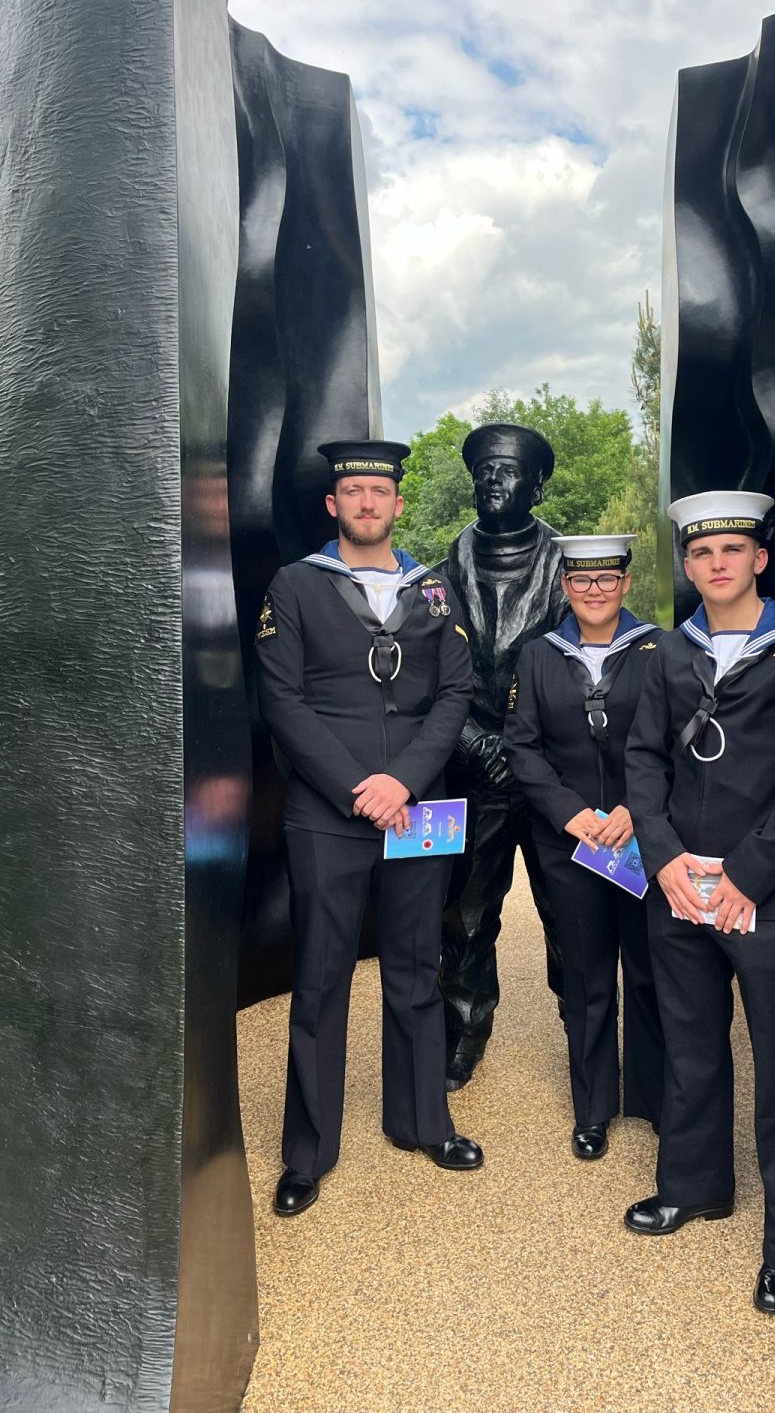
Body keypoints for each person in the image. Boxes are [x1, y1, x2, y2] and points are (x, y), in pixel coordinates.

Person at [256, 439, 484, 1218]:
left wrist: (403, 781)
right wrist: (360, 787)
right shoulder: (293, 586)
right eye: (351, 491)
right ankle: (307, 1153)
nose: (365, 503)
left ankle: (423, 1120)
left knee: (418, 968)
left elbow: (455, 694)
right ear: (333, 506)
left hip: (416, 809)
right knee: (320, 978)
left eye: (378, 493)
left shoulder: (434, 590)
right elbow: (282, 700)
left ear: (396, 504)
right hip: (328, 813)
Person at [623, 490, 775, 1315]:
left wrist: (746, 877)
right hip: (678, 891)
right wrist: (664, 860)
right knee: (691, 1045)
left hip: (757, 896)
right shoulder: (670, 652)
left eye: (731, 551)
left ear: (759, 559)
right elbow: (642, 762)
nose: (715, 565)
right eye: (701, 555)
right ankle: (693, 1186)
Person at [503, 535, 665, 1159]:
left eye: (606, 579)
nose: (593, 590)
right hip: (569, 844)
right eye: (580, 581)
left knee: (649, 972)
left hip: (641, 839)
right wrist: (571, 814)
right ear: (565, 587)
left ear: (626, 583)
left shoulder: (658, 650)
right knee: (588, 975)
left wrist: (635, 810)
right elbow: (522, 745)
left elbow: (675, 741)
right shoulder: (538, 656)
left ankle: (652, 1099)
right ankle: (593, 1108)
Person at [437, 423, 569, 1089]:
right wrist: (471, 742)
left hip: (550, 778)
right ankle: (463, 1032)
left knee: (573, 915)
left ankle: (589, 1034)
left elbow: (589, 674)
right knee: (463, 915)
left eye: (509, 470)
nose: (493, 478)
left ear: (537, 483)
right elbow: (423, 681)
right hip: (474, 772)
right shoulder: (438, 579)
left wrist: (528, 750)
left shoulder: (572, 573)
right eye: (483, 468)